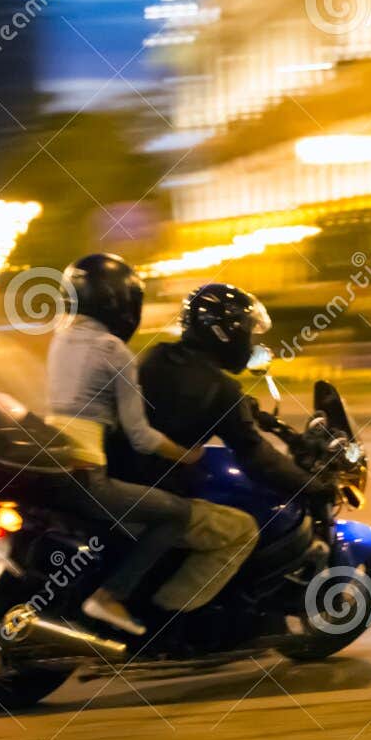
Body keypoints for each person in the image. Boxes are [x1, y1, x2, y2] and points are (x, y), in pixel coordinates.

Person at [45, 253, 230, 636]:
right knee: (176, 514)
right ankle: (110, 596)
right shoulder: (115, 352)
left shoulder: (59, 337)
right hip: (87, 475)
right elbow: (141, 437)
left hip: (53, 462)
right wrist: (187, 455)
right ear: (119, 302)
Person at [109, 283, 317, 502]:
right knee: (243, 524)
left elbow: (177, 397)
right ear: (224, 332)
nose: (248, 342)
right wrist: (316, 487)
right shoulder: (221, 389)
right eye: (246, 331)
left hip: (122, 478)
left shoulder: (157, 356)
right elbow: (258, 458)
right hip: (154, 494)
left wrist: (245, 405)